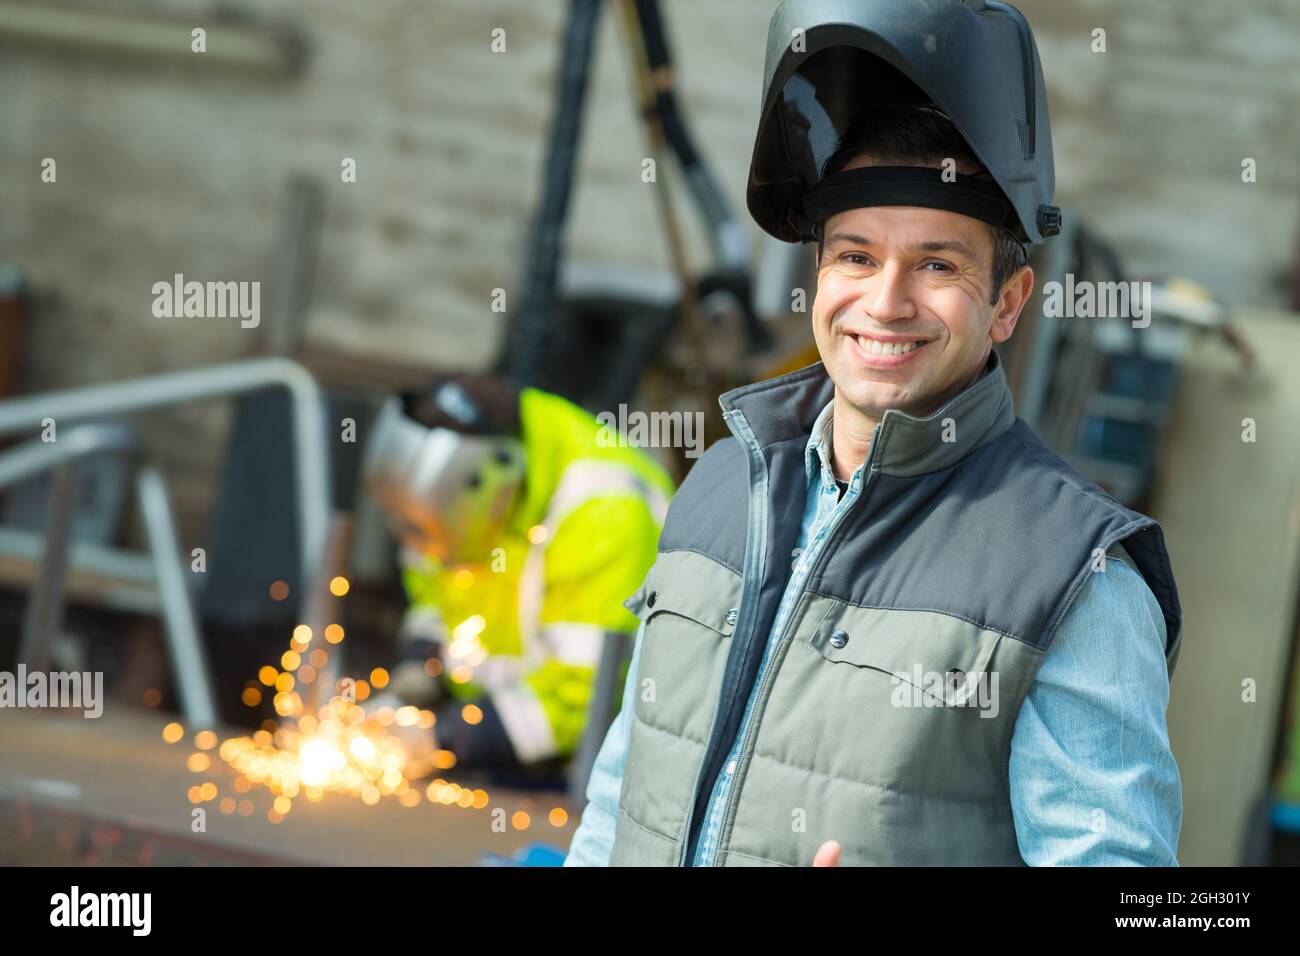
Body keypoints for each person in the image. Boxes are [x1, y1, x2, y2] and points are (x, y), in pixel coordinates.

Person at [566, 0, 1183, 866]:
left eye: (937, 264)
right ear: (819, 275)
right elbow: (617, 802)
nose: (886, 302)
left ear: (1008, 302)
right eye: (856, 255)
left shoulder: (1073, 575)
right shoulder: (717, 486)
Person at [362, 373, 674, 779]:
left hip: (591, 770)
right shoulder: (448, 504)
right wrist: (420, 666)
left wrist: (444, 737)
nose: (425, 553)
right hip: (489, 736)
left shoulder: (607, 510)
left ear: (493, 481)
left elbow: (580, 699)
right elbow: (434, 593)